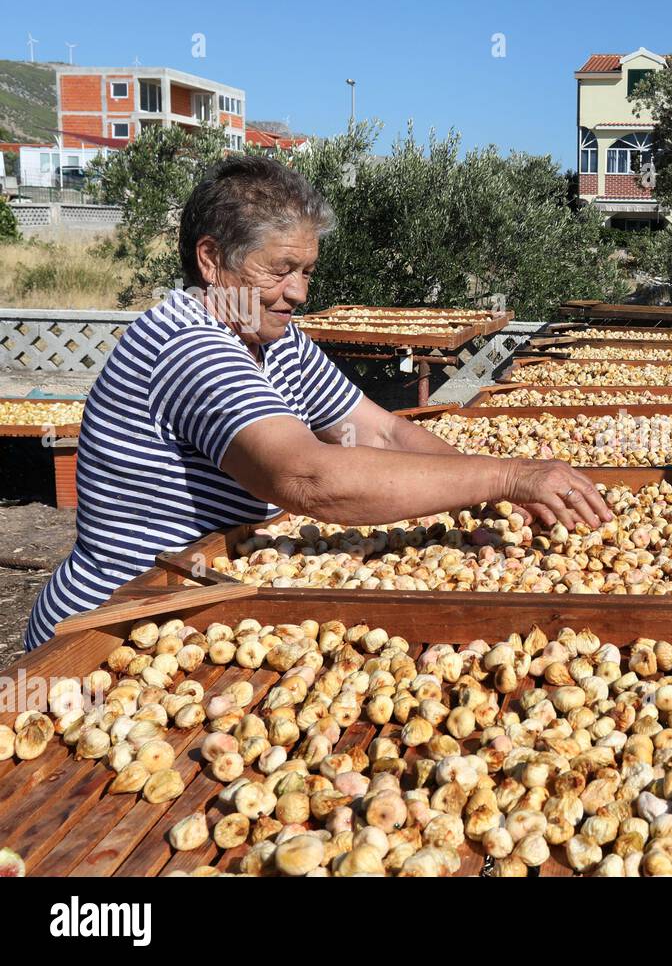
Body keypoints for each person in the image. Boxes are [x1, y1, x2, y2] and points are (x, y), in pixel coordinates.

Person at [23, 156, 610, 650]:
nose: (300, 292)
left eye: (306, 271)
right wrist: (507, 478)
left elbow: (382, 434)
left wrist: (487, 499)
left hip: (206, 603)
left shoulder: (275, 339)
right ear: (210, 259)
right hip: (116, 624)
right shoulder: (188, 343)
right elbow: (307, 477)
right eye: (281, 269)